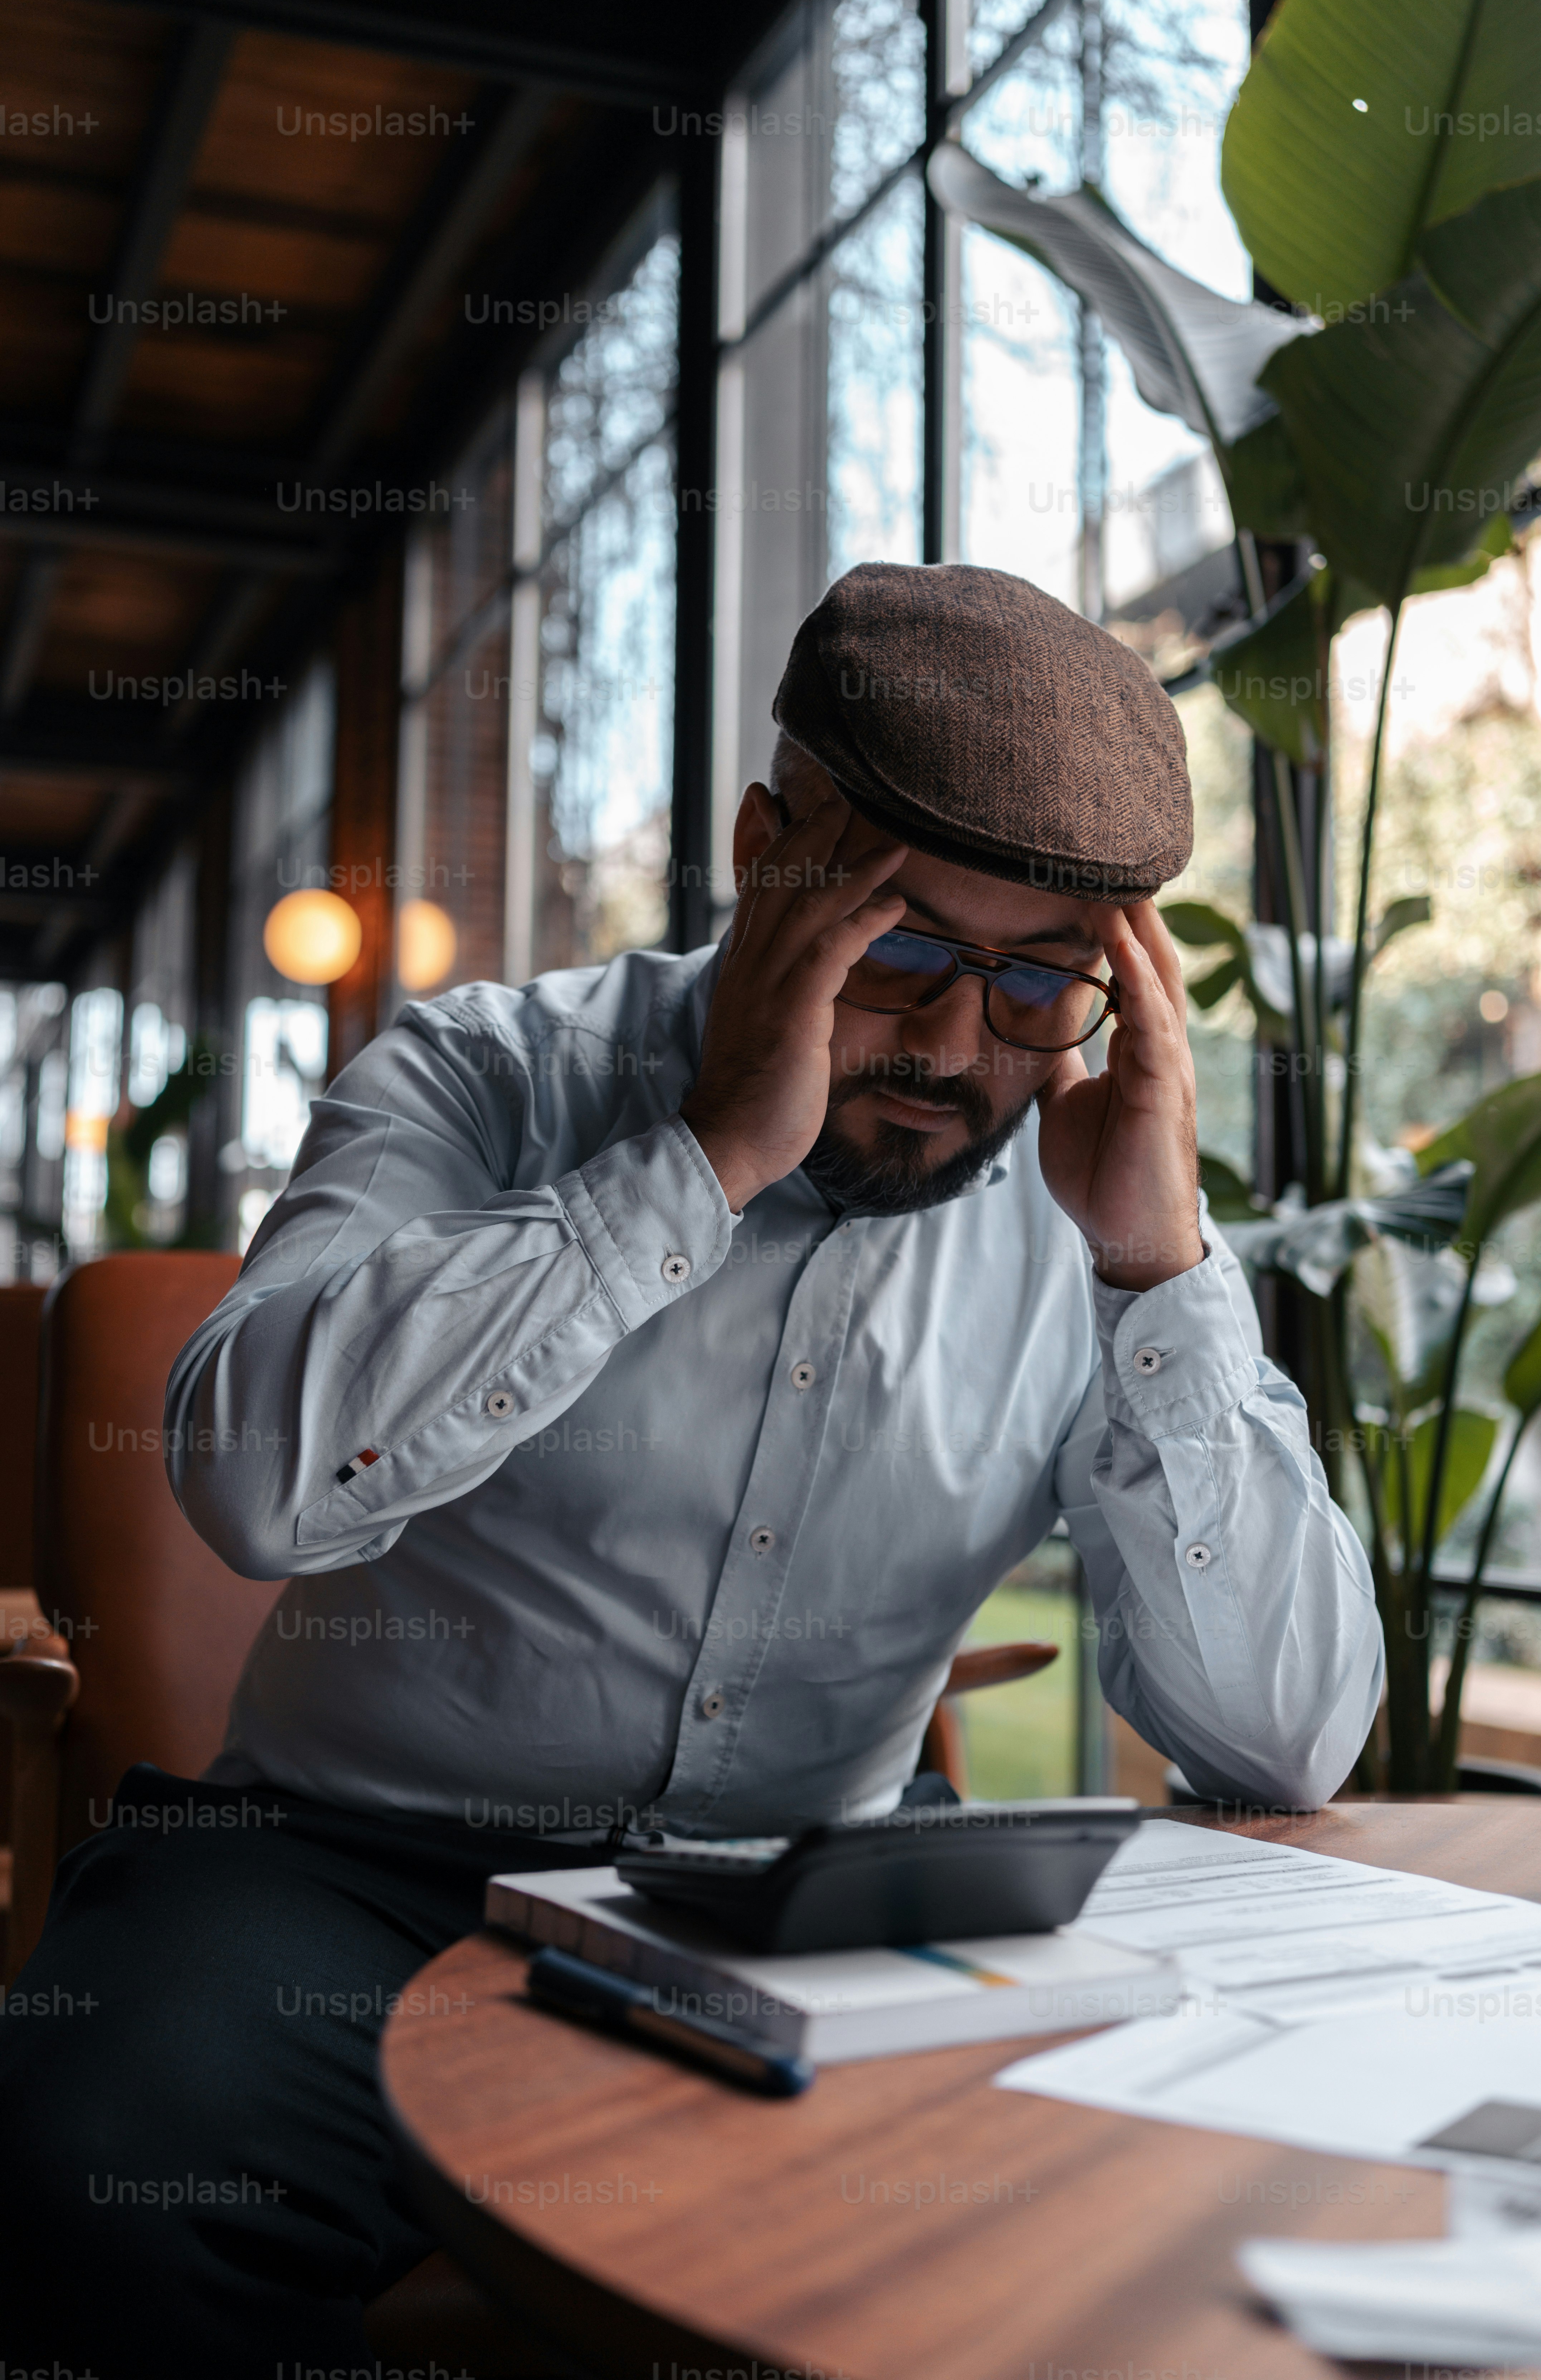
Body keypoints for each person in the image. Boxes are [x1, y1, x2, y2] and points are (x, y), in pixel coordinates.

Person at [0, 562, 1382, 2375]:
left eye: (1042, 987)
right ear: (764, 848)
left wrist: (1159, 1277)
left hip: (836, 1905)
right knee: (95, 2176)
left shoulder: (1094, 1194)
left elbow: (1285, 1742)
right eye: (899, 952)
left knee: (1121, 2218)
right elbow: (253, 1473)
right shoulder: (485, 1075)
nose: (958, 1053)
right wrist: (702, 1161)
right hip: (353, 1876)